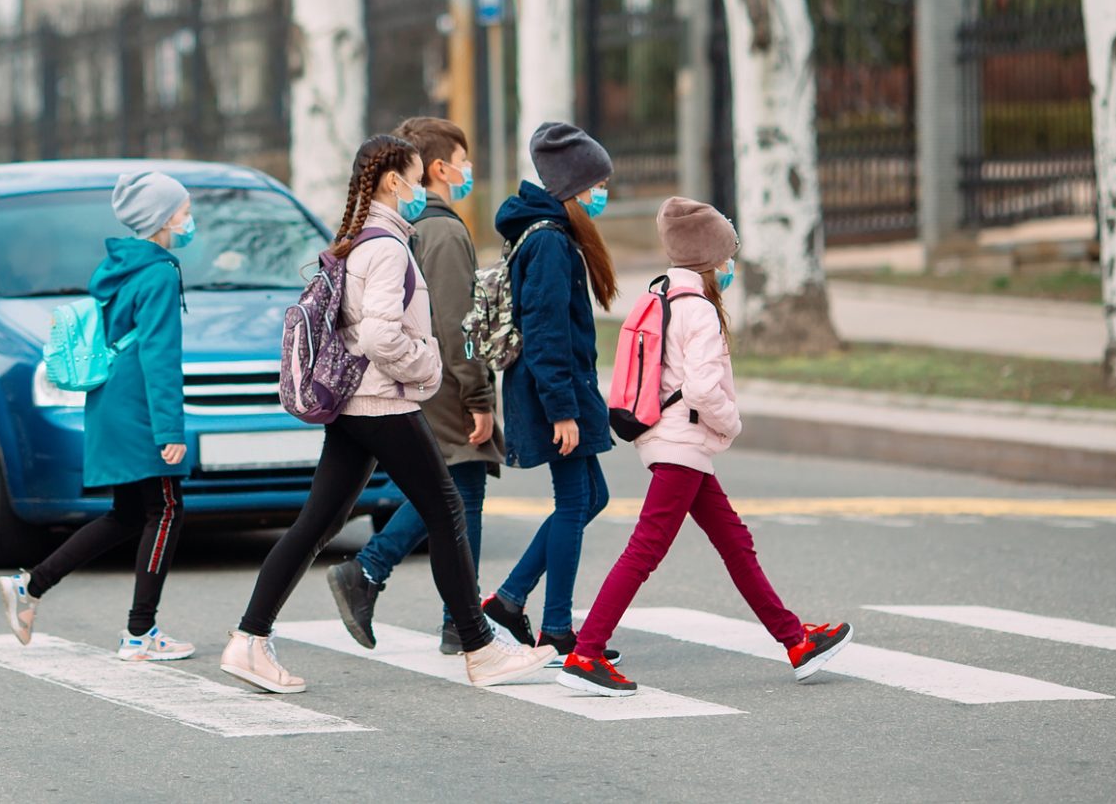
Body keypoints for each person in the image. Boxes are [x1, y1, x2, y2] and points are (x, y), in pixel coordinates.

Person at [220, 135, 554, 694]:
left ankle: (249, 639)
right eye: (417, 179)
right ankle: (478, 647)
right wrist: (425, 364)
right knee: (446, 508)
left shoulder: (363, 239)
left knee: (319, 523)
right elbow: (379, 336)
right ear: (393, 182)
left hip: (354, 402)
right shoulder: (387, 248)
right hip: (380, 400)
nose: (421, 189)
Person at [557, 198, 855, 696]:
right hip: (682, 443)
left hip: (668, 439)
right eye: (727, 254)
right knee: (645, 551)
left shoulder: (662, 294)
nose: (729, 264)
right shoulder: (699, 310)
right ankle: (586, 653)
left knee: (735, 541)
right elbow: (700, 389)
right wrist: (731, 423)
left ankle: (796, 641)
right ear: (711, 257)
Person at [0, 172, 196, 662]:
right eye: (184, 211)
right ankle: (140, 633)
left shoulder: (121, 267)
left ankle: (31, 586)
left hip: (111, 400)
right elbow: (160, 355)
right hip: (139, 407)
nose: (189, 219)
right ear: (163, 218)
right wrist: (170, 429)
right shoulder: (159, 273)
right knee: (166, 511)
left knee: (127, 514)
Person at [326, 117, 503, 656]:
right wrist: (478, 395)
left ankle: (451, 616)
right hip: (444, 380)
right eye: (463, 161)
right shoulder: (442, 231)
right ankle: (380, 577)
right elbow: (458, 323)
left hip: (426, 376)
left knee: (451, 492)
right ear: (439, 168)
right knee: (458, 492)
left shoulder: (412, 225)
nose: (469, 171)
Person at [482, 121, 624, 663]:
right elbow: (545, 334)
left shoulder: (551, 233)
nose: (602, 195)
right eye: (598, 186)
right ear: (574, 187)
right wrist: (562, 411)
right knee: (574, 503)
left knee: (592, 497)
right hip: (555, 393)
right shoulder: (547, 241)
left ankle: (509, 600)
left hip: (563, 388)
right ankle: (557, 628)